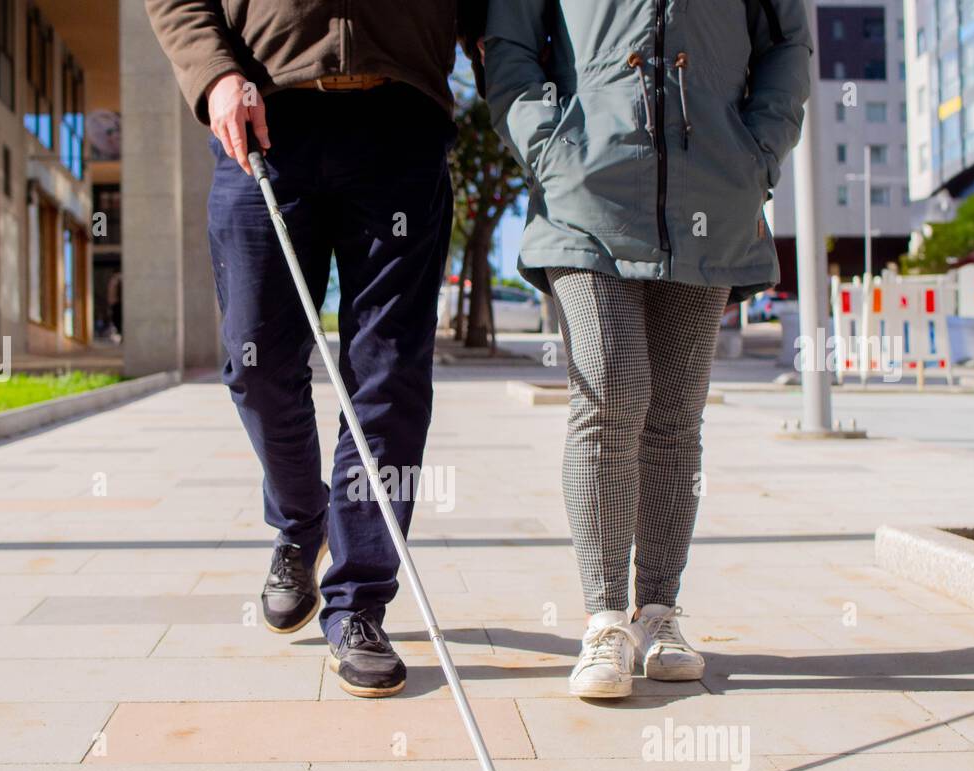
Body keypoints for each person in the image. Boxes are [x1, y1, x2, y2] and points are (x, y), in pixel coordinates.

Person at [145, 1, 482, 697]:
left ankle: (359, 600)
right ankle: (302, 520)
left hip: (402, 124)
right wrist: (214, 75)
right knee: (253, 358)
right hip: (266, 117)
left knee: (389, 376)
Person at [485, 0, 811, 697]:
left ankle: (658, 612)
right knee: (609, 388)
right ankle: (604, 620)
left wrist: (755, 153)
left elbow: (788, 48)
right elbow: (510, 45)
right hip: (585, 196)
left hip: (713, 193)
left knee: (674, 413)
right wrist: (551, 148)